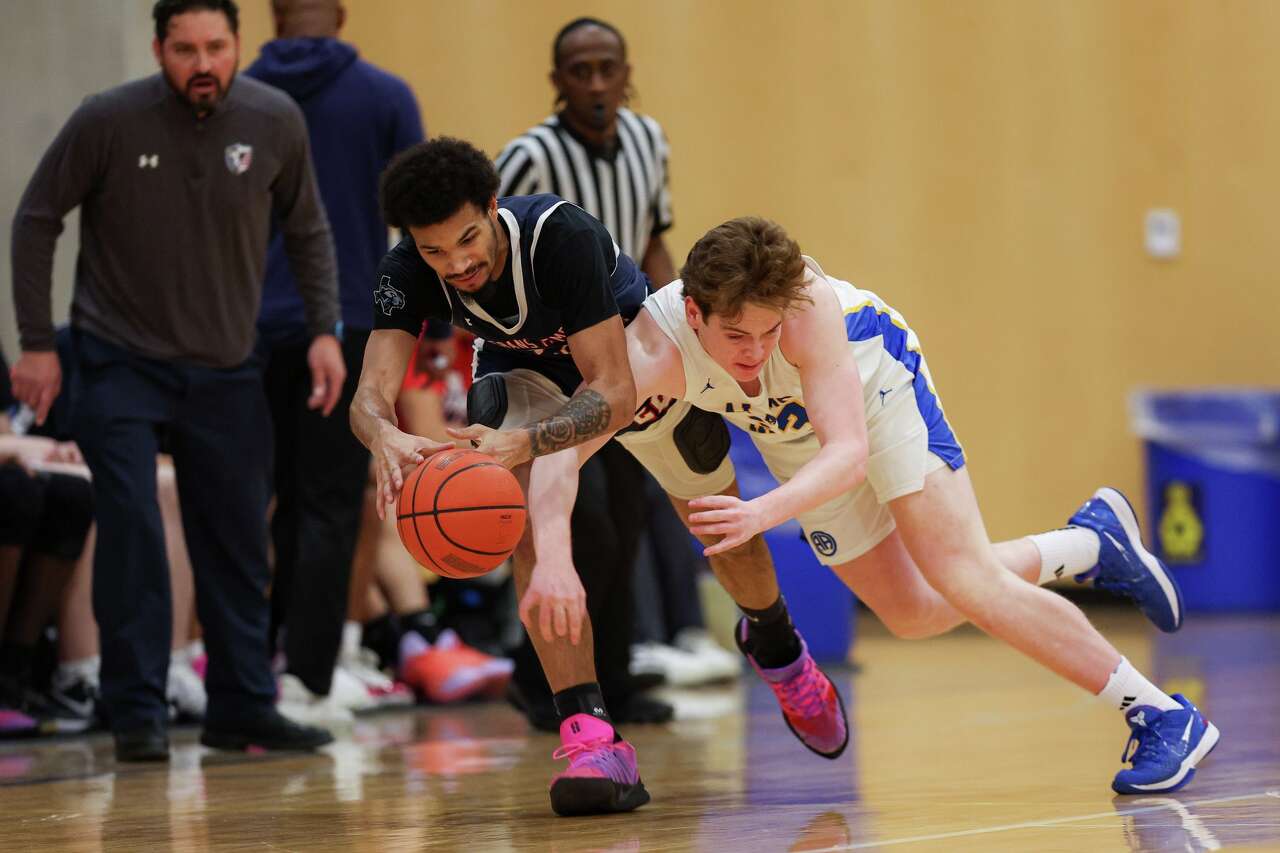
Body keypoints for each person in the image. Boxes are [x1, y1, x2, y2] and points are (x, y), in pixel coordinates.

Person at [525, 216, 1217, 795]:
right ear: (696, 313)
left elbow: (848, 452)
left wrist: (762, 513)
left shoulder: (808, 311)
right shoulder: (653, 346)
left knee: (962, 576)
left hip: (874, 387)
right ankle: (1092, 544)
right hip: (793, 433)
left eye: (768, 334)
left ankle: (1159, 713)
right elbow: (561, 450)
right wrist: (553, 557)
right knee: (913, 612)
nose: (756, 352)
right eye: (737, 338)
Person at [9, 0, 339, 761]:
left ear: (238, 46)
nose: (202, 64)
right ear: (159, 49)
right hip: (116, 356)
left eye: (216, 47)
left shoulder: (275, 117)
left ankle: (243, 706)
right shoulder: (108, 119)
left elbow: (308, 227)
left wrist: (325, 328)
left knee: (235, 540)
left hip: (227, 363)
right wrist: (35, 343)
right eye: (184, 48)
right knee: (131, 525)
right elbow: (35, 218)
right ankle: (136, 712)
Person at [352, 136, 672, 816]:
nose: (457, 263)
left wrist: (524, 440)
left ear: (493, 208)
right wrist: (386, 435)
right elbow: (368, 396)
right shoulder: (406, 268)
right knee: (523, 512)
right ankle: (591, 734)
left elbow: (612, 391)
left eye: (467, 239)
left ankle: (773, 639)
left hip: (636, 357)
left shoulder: (560, 235)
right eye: (435, 251)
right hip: (522, 368)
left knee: (704, 505)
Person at [492, 15, 701, 723]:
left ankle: (608, 673)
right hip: (551, 366)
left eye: (606, 67)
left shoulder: (649, 138)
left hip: (630, 359)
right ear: (557, 82)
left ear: (626, 70)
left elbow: (653, 240)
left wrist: (680, 333)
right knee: (588, 527)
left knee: (631, 520)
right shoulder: (528, 157)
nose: (595, 82)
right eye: (578, 71)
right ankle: (539, 675)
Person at [243, 0, 425, 720]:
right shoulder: (384, 95)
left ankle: (255, 669)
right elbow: (421, 219)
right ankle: (310, 676)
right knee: (327, 505)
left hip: (241, 330)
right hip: (346, 323)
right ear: (342, 14)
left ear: (274, 15)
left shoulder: (234, 94)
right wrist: (431, 325)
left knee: (249, 503)